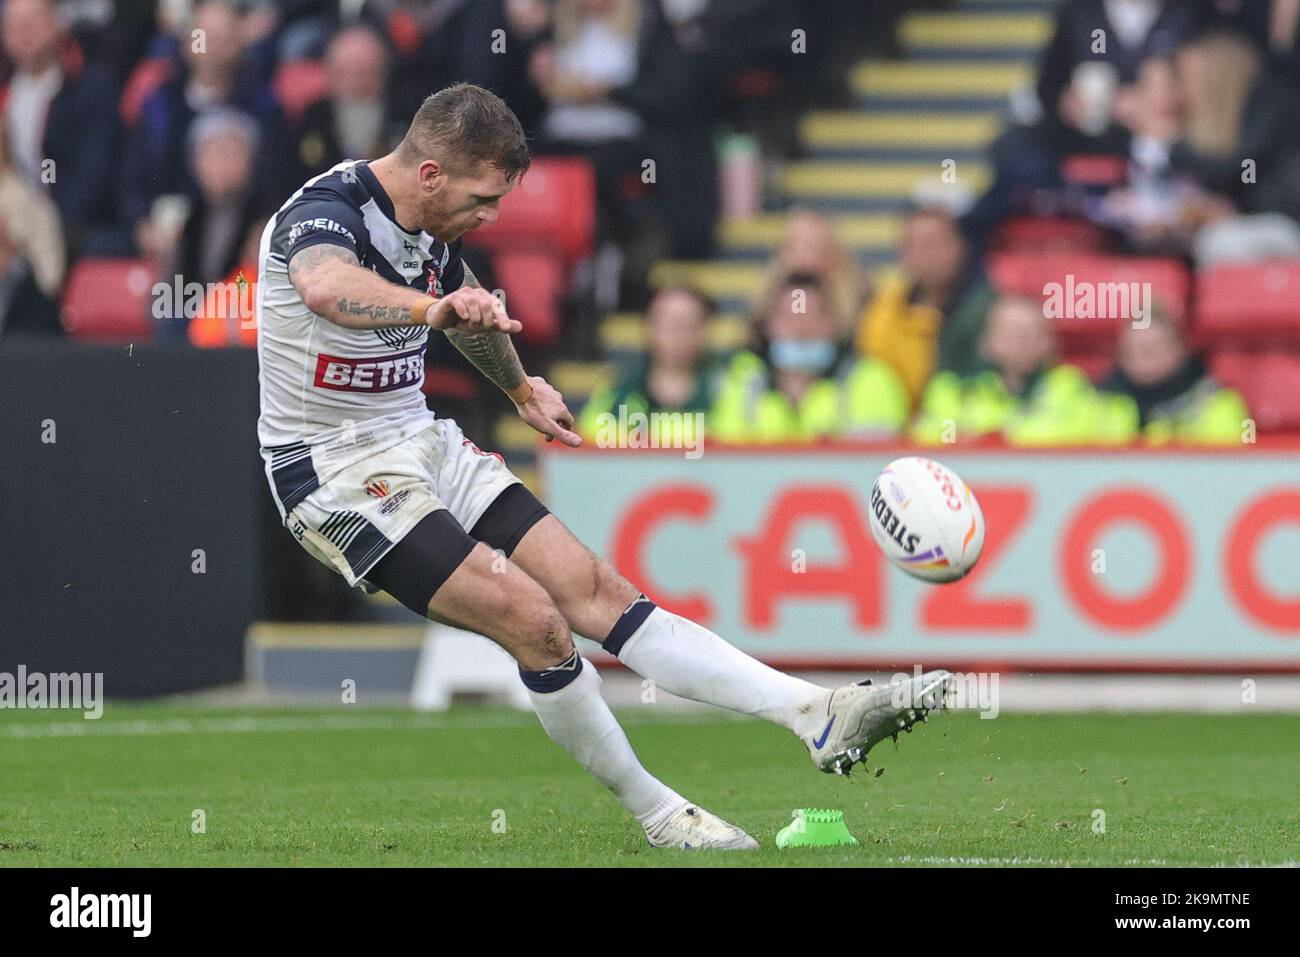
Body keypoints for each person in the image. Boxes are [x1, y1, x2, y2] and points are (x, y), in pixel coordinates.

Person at [257, 82, 951, 851]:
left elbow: (468, 304)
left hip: (419, 438)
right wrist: (429, 312)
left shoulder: (432, 226)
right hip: (335, 471)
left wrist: (520, 388)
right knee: (539, 625)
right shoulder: (323, 214)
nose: (491, 216)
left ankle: (816, 715)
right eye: (484, 198)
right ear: (430, 176)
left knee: (598, 592)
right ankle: (661, 814)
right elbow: (324, 287)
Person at [911, 295, 1136, 445]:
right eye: (1012, 333)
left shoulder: (1071, 387)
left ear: (1049, 342)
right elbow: (928, 436)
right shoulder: (954, 391)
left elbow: (1110, 429)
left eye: (1032, 332)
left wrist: (997, 437)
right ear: (986, 343)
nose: (1023, 341)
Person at [712, 272, 910, 443]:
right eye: (790, 319)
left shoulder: (870, 379)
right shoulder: (742, 380)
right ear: (768, 326)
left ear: (834, 324)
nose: (801, 330)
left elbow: (876, 462)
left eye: (813, 318)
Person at [855, 205, 996, 409]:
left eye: (932, 245)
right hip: (899, 426)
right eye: (913, 246)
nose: (924, 256)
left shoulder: (990, 311)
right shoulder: (884, 307)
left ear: (959, 247)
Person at [577, 286, 718, 447]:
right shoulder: (618, 391)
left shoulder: (728, 389)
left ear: (705, 329)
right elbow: (589, 443)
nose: (676, 335)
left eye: (686, 324)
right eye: (668, 323)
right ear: (649, 327)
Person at [1099, 306, 1248, 444]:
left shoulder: (1218, 405)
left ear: (1180, 348)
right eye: (1131, 349)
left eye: (1152, 348)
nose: (1142, 357)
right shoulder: (1098, 404)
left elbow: (1229, 467)